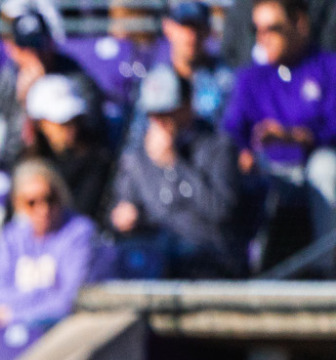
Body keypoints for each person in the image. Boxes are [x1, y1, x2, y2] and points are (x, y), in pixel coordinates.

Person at [222, 0, 336, 254]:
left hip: (312, 167)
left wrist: (295, 137)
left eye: (273, 28)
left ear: (299, 23)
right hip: (268, 171)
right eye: (257, 30)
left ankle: (328, 270)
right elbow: (232, 129)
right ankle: (245, 265)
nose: (263, 38)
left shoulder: (328, 68)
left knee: (327, 167)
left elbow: (333, 123)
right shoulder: (251, 77)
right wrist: (244, 151)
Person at [110, 66, 247, 277]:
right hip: (152, 253)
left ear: (187, 106)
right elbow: (124, 204)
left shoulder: (218, 148)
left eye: (167, 113)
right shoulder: (138, 156)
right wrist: (125, 215)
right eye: (153, 114)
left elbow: (220, 211)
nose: (159, 122)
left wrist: (175, 165)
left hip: (207, 254)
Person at [0, 9, 103, 173]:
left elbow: (92, 134)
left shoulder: (76, 78)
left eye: (38, 46)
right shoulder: (2, 82)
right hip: (14, 172)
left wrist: (40, 96)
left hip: (68, 170)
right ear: (11, 48)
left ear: (51, 43)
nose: (34, 55)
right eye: (25, 48)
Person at [0, 158, 103, 329]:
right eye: (32, 202)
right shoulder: (10, 237)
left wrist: (17, 315)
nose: (43, 209)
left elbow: (71, 299)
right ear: (18, 204)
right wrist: (47, 293)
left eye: (50, 199)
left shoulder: (80, 233)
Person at [22, 73, 117, 222]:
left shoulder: (96, 159)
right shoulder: (28, 162)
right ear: (41, 124)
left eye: (73, 119)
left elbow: (84, 214)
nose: (70, 128)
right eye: (61, 122)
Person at [155, 0, 235, 130]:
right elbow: (135, 136)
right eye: (185, 26)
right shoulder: (155, 79)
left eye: (198, 28)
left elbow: (230, 133)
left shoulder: (226, 81)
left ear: (208, 31)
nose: (192, 36)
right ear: (168, 27)